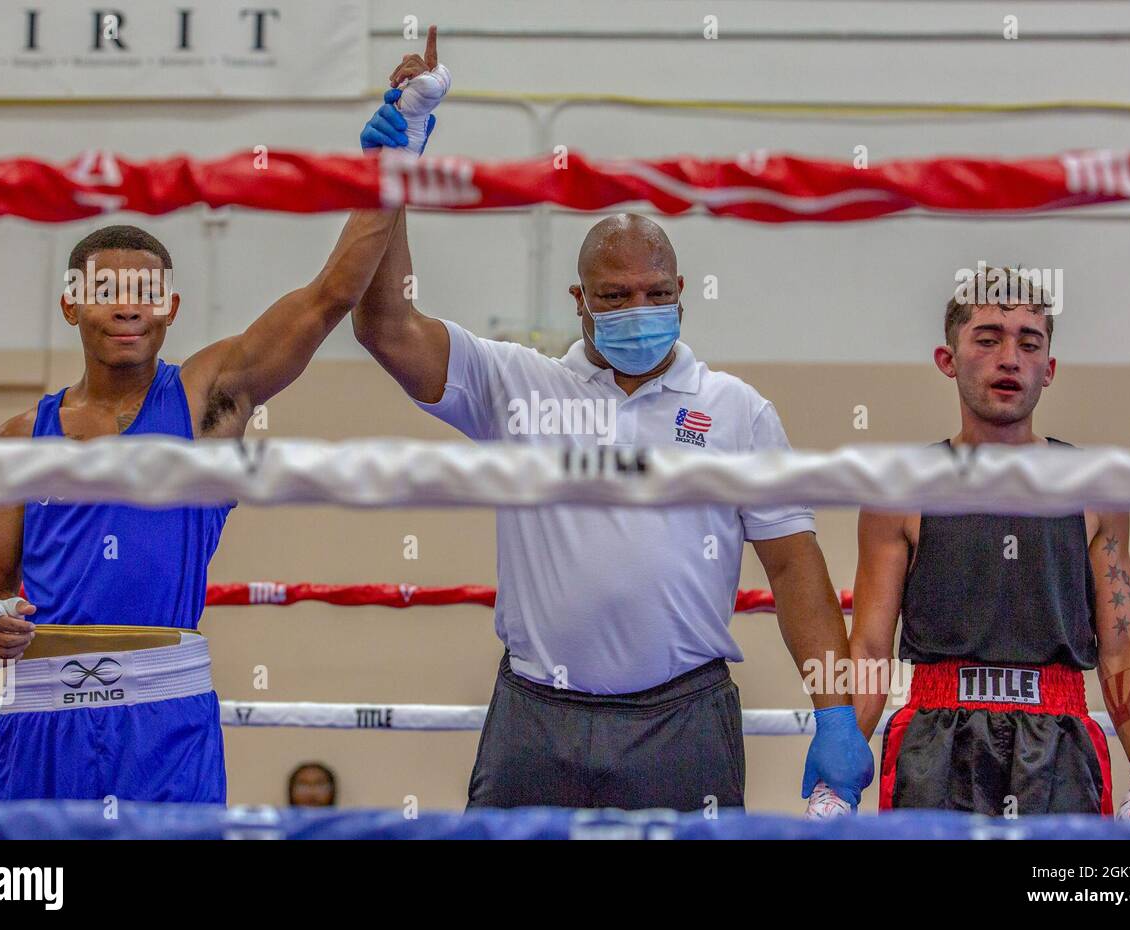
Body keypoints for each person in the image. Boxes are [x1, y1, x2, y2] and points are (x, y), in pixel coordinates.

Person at [353, 56, 873, 813]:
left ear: (682, 294)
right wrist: (388, 179)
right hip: (536, 714)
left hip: (682, 717)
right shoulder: (517, 384)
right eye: (616, 295)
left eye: (656, 293)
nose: (640, 308)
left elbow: (796, 571)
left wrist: (834, 710)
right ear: (580, 300)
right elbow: (386, 325)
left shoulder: (737, 410)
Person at [0, 34, 446, 800]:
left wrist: (394, 158)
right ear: (72, 304)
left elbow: (328, 298)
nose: (127, 306)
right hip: (40, 716)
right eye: (106, 289)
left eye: (145, 292)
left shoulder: (206, 396)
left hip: (163, 721)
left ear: (170, 309)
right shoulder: (19, 438)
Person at [850, 265, 1130, 821]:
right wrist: (841, 774)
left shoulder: (1094, 486)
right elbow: (871, 650)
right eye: (988, 339)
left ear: (1048, 370)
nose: (1009, 359)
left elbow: (1121, 640)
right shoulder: (901, 489)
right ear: (947, 360)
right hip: (935, 741)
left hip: (1061, 740)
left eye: (1029, 344)